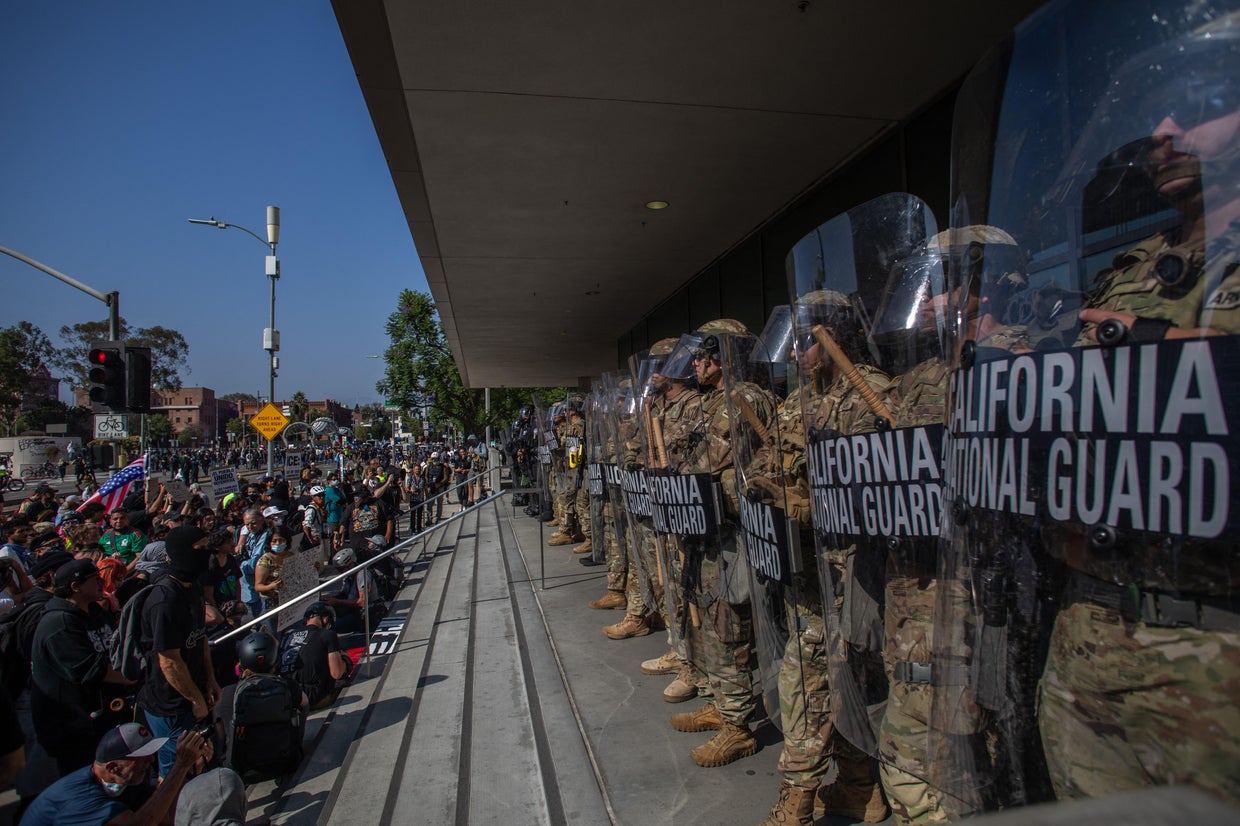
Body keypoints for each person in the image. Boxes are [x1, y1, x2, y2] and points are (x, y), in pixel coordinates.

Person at [29, 558, 130, 778]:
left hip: (104, 718)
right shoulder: (59, 623)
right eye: (94, 579)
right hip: (73, 727)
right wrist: (136, 675)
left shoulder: (94, 610)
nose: (101, 582)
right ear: (75, 587)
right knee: (88, 783)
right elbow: (91, 670)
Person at [137, 526, 221, 780]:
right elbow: (169, 660)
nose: (207, 553)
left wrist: (210, 680)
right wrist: (195, 699)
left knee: (205, 758)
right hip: (170, 704)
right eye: (200, 549)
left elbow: (200, 638)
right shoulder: (165, 600)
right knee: (176, 771)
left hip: (196, 692)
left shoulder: (191, 588)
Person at [17, 723, 212, 826]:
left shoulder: (126, 781)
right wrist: (180, 766)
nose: (151, 761)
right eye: (142, 757)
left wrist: (191, 769)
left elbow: (164, 816)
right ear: (113, 768)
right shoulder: (81, 799)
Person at [279, 601, 352, 710]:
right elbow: (337, 673)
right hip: (310, 697)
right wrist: (346, 661)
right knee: (342, 680)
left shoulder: (288, 635)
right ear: (326, 619)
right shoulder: (328, 635)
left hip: (286, 693)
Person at [98, 509, 147, 575]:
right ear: (110, 521)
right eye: (115, 519)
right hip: (107, 571)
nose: (119, 521)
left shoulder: (135, 534)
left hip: (128, 572)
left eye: (122, 518)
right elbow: (99, 554)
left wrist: (123, 573)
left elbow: (139, 557)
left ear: (127, 520)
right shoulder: (106, 535)